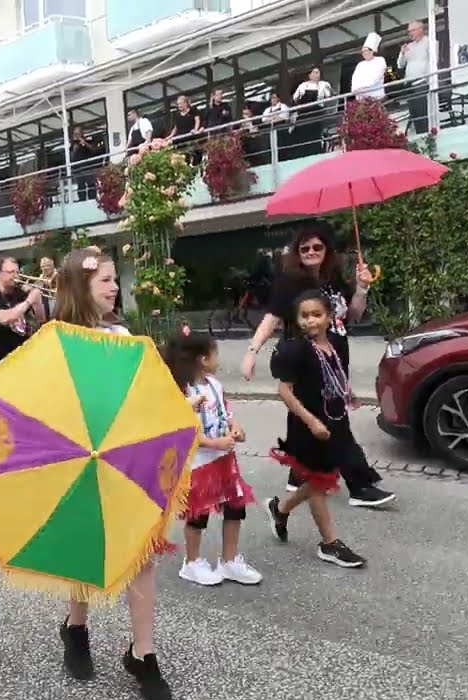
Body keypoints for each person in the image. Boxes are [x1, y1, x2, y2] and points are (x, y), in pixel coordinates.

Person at [52, 247, 171, 700]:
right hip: (79, 461)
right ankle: (76, 627)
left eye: (113, 279)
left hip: (127, 458)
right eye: (103, 279)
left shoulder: (122, 333)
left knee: (142, 554)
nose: (113, 286)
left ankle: (143, 653)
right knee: (86, 551)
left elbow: (140, 393)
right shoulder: (58, 339)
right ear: (81, 286)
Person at [240, 224, 394, 507]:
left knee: (306, 417)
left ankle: (299, 473)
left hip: (335, 356)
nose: (311, 252)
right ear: (298, 253)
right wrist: (251, 352)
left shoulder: (334, 280)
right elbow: (272, 318)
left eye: (317, 247)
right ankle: (360, 485)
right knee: (336, 420)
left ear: (327, 251)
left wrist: (362, 288)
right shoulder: (291, 282)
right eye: (305, 248)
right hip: (306, 359)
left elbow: (353, 315)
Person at [265, 290, 368, 569]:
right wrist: (311, 421)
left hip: (335, 419)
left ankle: (281, 509)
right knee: (319, 481)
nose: (311, 321)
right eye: (305, 316)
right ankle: (330, 543)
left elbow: (337, 372)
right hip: (308, 425)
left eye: (317, 314)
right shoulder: (296, 349)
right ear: (298, 320)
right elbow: (283, 391)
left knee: (321, 479)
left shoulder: (336, 343)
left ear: (329, 316)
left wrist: (349, 393)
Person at [163, 333, 261, 587]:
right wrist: (213, 443)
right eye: (215, 354)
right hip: (199, 464)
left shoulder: (214, 385)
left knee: (235, 507)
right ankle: (192, 562)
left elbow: (226, 413)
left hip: (225, 460)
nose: (219, 359)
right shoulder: (182, 392)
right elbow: (182, 430)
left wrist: (235, 428)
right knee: (199, 514)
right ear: (203, 359)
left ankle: (229, 560)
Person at [0, 257, 45, 371]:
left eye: (17, 272)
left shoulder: (20, 294)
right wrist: (29, 301)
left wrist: (37, 301)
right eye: (10, 272)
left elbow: (41, 319)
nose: (15, 276)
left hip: (23, 363)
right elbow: (5, 318)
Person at [351, 33, 389, 100]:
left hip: (376, 95)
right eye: (363, 52)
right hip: (362, 97)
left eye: (366, 51)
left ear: (372, 51)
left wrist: (363, 87)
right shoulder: (360, 64)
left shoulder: (380, 60)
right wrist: (355, 89)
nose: (364, 53)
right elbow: (355, 78)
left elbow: (377, 76)